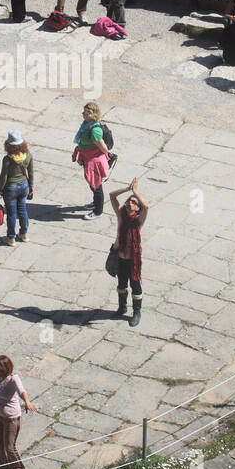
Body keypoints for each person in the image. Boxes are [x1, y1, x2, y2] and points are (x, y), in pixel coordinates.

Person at [109, 178, 149, 327]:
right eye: (129, 201)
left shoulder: (138, 220)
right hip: (120, 257)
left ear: (137, 209)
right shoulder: (121, 215)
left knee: (135, 285)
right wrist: (127, 189)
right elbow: (112, 195)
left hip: (133, 259)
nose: (130, 203)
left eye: (134, 202)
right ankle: (122, 308)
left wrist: (135, 192)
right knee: (121, 284)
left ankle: (137, 312)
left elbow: (146, 206)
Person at [73, 102, 112, 220]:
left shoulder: (95, 129)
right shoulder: (87, 124)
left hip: (94, 161)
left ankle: (98, 211)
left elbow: (102, 145)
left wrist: (107, 154)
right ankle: (95, 203)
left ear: (91, 114)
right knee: (92, 184)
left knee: (96, 185)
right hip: (87, 158)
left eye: (85, 112)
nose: (82, 114)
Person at [0, 131, 34, 245]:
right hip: (24, 186)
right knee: (22, 210)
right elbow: (31, 173)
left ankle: (11, 238)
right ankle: (24, 234)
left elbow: (4, 176)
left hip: (10, 188)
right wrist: (31, 186)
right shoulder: (28, 156)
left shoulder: (7, 159)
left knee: (11, 214)